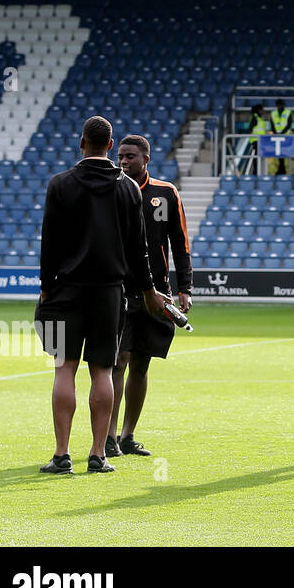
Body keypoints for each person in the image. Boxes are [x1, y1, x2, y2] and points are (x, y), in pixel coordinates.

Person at [36, 115, 161, 475]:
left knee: (64, 368)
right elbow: (140, 252)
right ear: (110, 146)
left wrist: (46, 287)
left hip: (65, 289)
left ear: (81, 143)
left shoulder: (59, 185)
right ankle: (97, 454)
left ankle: (61, 455)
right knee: (103, 371)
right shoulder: (129, 190)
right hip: (109, 293)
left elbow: (50, 244)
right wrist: (148, 289)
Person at [108, 134, 193, 458]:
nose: (124, 161)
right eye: (121, 155)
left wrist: (185, 288)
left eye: (130, 156)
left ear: (146, 159)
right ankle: (109, 436)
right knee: (119, 361)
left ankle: (128, 435)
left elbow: (180, 244)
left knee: (141, 366)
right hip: (121, 291)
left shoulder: (166, 193)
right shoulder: (112, 189)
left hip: (158, 294)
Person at [269, 98, 294, 175]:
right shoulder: (273, 113)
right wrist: (275, 133)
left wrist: (283, 132)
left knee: (285, 153)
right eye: (278, 105)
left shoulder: (288, 112)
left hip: (286, 136)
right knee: (279, 154)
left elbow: (289, 124)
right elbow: (272, 124)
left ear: (283, 105)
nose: (279, 106)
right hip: (277, 136)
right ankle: (281, 169)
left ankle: (284, 169)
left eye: (280, 105)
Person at [248, 103, 270, 175]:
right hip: (256, 140)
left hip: (260, 141)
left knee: (259, 157)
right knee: (256, 158)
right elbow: (250, 129)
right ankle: (255, 172)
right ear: (258, 110)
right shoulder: (255, 118)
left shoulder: (260, 119)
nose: (263, 111)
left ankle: (258, 172)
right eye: (262, 110)